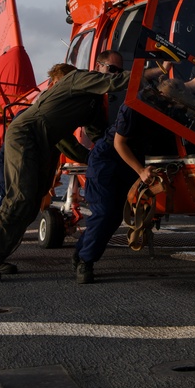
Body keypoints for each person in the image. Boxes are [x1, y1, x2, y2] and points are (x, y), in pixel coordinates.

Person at [0, 51, 130, 281]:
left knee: (31, 204)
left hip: (42, 145)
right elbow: (112, 84)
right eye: (111, 69)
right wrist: (148, 74)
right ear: (98, 67)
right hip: (26, 137)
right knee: (20, 199)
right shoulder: (77, 79)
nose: (115, 75)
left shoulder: (92, 106)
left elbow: (99, 136)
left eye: (119, 70)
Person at [72, 79, 179, 284]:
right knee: (104, 212)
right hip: (107, 161)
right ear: (162, 92)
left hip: (128, 163)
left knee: (112, 217)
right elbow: (119, 143)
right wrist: (140, 171)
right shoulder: (134, 105)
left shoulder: (163, 105)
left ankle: (80, 253)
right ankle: (86, 262)